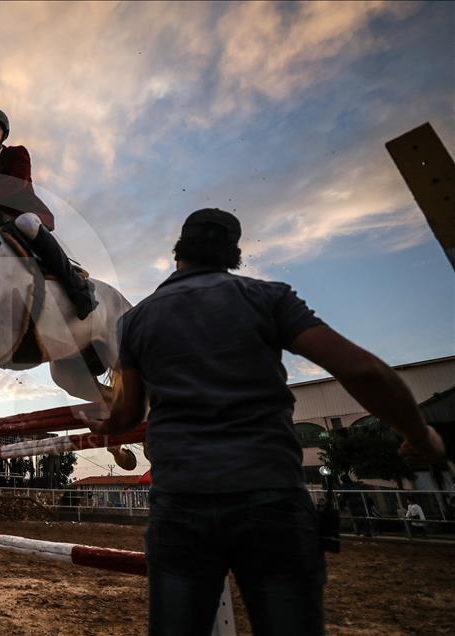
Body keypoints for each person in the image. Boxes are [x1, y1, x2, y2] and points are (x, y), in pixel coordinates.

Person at [92, 208, 445, 635]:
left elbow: (128, 414)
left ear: (178, 252)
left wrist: (104, 427)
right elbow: (363, 371)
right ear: (233, 254)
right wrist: (420, 434)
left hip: (182, 499)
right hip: (269, 494)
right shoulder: (268, 297)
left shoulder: (135, 320)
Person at [0, 107, 97, 319]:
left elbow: (16, 184)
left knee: (25, 222)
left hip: (29, 214)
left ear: (3, 134)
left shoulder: (17, 153)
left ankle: (78, 288)